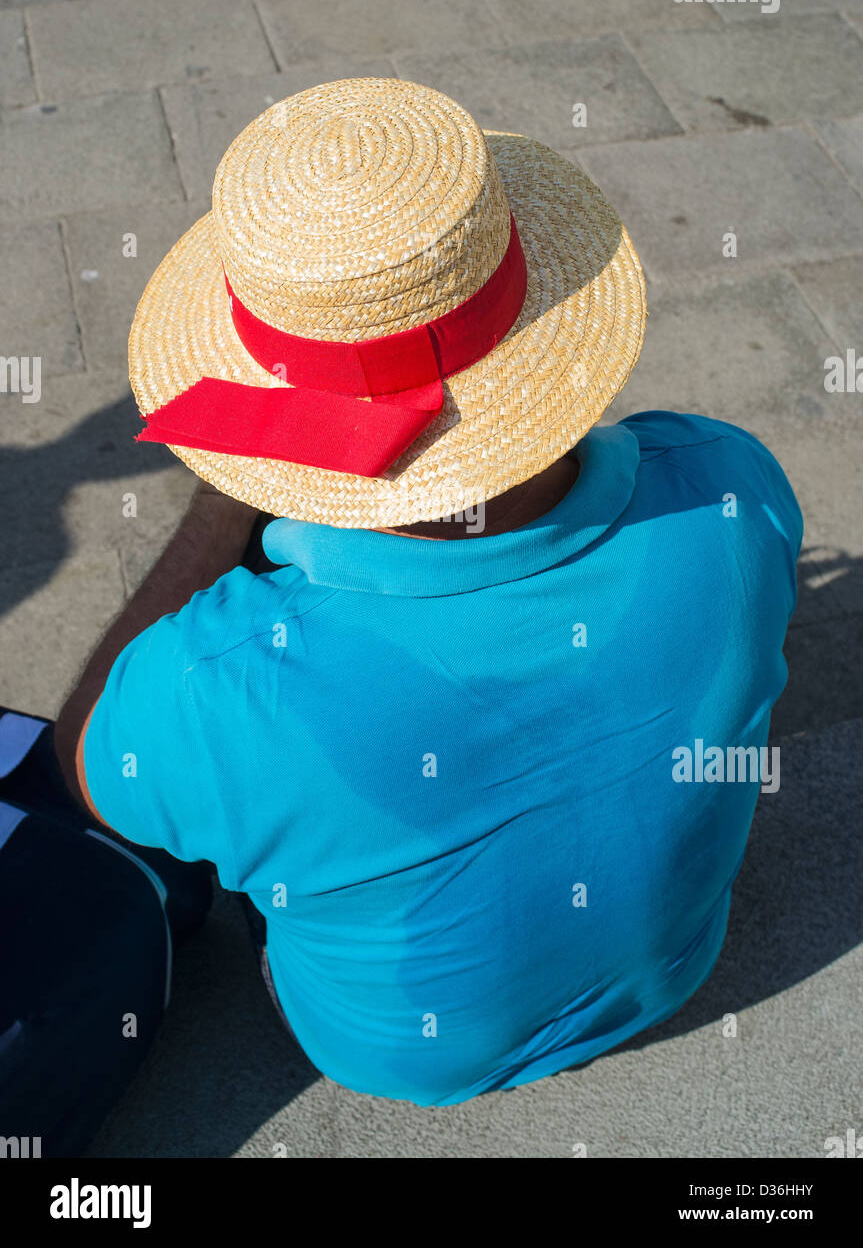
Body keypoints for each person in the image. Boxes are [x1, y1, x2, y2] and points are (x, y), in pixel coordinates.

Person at [43, 77, 800, 1113]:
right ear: (538, 335)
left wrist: (222, 510)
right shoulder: (728, 483)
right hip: (678, 960)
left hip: (399, 1055)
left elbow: (83, 761)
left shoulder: (207, 689)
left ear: (278, 418)